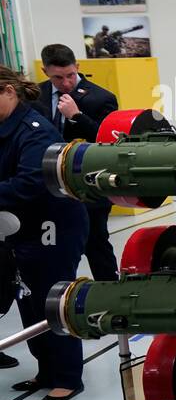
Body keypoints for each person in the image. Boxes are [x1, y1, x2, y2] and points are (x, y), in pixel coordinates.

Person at [0, 66, 88, 400]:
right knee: (28, 299)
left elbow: (30, 183)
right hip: (21, 229)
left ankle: (67, 377)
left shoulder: (35, 131)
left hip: (54, 226)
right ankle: (46, 369)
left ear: (8, 90)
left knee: (54, 299)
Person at [32, 43, 119, 282]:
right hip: (48, 185)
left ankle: (109, 290)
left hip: (87, 184)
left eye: (71, 75)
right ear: (45, 71)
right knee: (53, 246)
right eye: (58, 78)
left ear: (78, 67)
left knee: (96, 242)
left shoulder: (102, 98)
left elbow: (105, 140)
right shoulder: (34, 97)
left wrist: (76, 116)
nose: (67, 83)